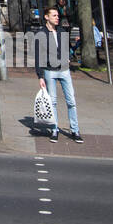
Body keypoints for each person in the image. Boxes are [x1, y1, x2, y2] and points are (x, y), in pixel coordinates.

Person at [35, 7, 82, 143]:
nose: (57, 18)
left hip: (64, 70)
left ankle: (75, 130)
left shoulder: (62, 31)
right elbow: (39, 56)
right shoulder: (41, 33)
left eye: (57, 15)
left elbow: (66, 48)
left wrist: (67, 56)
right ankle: (54, 130)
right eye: (54, 15)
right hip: (50, 71)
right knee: (53, 102)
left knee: (71, 101)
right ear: (46, 17)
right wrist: (40, 76)